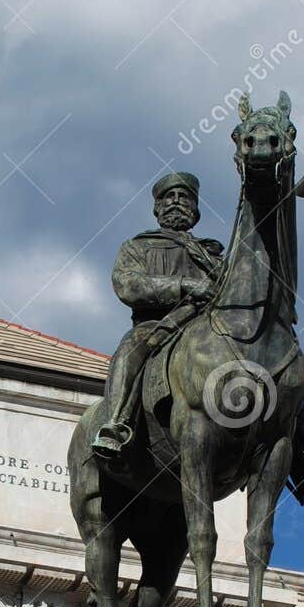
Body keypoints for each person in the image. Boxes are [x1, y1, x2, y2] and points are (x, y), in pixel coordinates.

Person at [92, 170, 222, 459]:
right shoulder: (138, 247)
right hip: (157, 325)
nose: (176, 202)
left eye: (184, 197)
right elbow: (129, 286)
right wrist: (185, 285)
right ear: (157, 208)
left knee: (275, 364)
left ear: (195, 208)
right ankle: (116, 423)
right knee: (131, 349)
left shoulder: (214, 256)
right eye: (169, 197)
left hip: (209, 329)